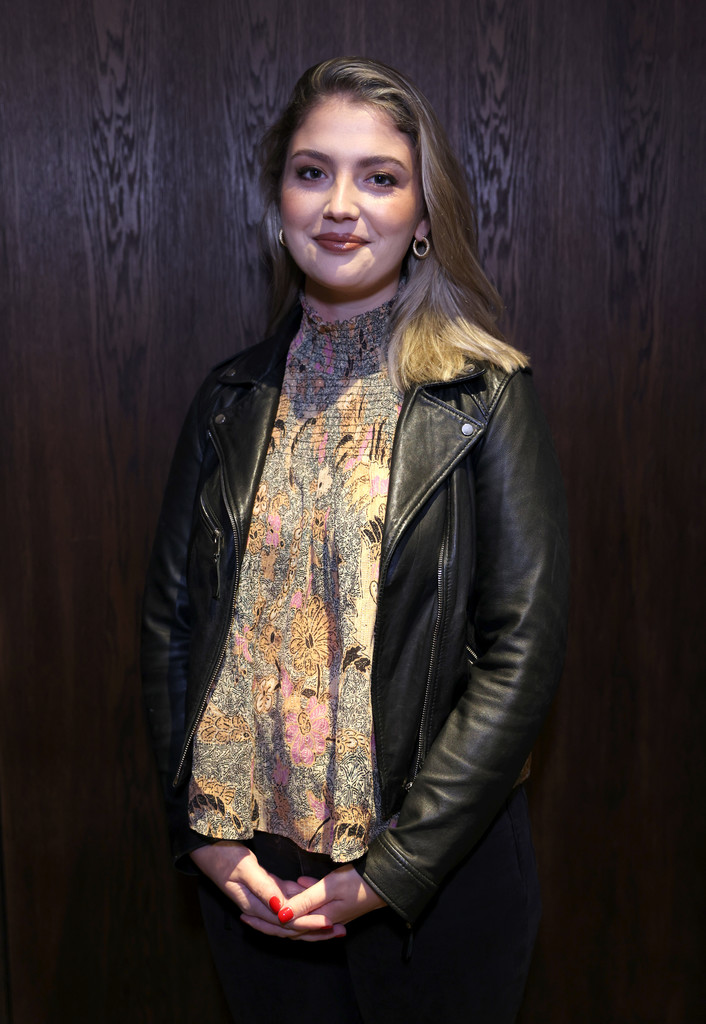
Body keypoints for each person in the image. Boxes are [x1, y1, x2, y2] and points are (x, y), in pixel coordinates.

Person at [141, 56, 569, 1024]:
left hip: (433, 882)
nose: (340, 204)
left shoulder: (484, 393)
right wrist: (201, 840)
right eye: (310, 172)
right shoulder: (228, 399)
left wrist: (397, 865)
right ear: (278, 202)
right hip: (254, 876)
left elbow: (522, 651)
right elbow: (169, 627)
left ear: (423, 218)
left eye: (379, 177)